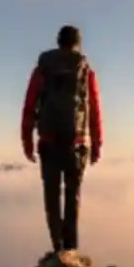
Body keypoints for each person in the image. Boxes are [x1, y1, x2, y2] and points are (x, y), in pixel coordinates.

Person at [21, 24, 103, 253]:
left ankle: (57, 247)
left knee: (51, 195)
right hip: (76, 144)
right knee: (72, 195)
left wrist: (27, 141)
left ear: (58, 42)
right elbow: (95, 109)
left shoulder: (42, 69)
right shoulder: (85, 70)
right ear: (78, 43)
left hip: (48, 142)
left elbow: (29, 106)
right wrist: (96, 144)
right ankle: (71, 248)